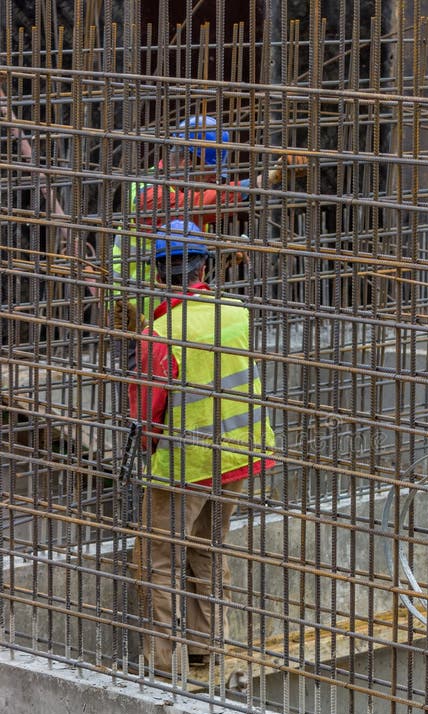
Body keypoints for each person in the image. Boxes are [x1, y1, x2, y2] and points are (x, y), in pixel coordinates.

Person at [128, 218, 275, 678]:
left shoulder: (160, 334)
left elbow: (147, 409)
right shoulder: (236, 312)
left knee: (158, 558)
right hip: (238, 454)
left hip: (186, 466)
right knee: (209, 549)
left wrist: (149, 452)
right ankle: (206, 650)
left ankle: (163, 662)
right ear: (205, 268)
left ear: (156, 274)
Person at [112, 114, 307, 326]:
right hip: (133, 314)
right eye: (210, 174)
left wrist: (218, 251)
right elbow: (195, 206)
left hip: (176, 312)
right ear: (188, 162)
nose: (214, 181)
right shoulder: (147, 192)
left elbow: (183, 247)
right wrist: (264, 179)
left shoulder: (187, 190)